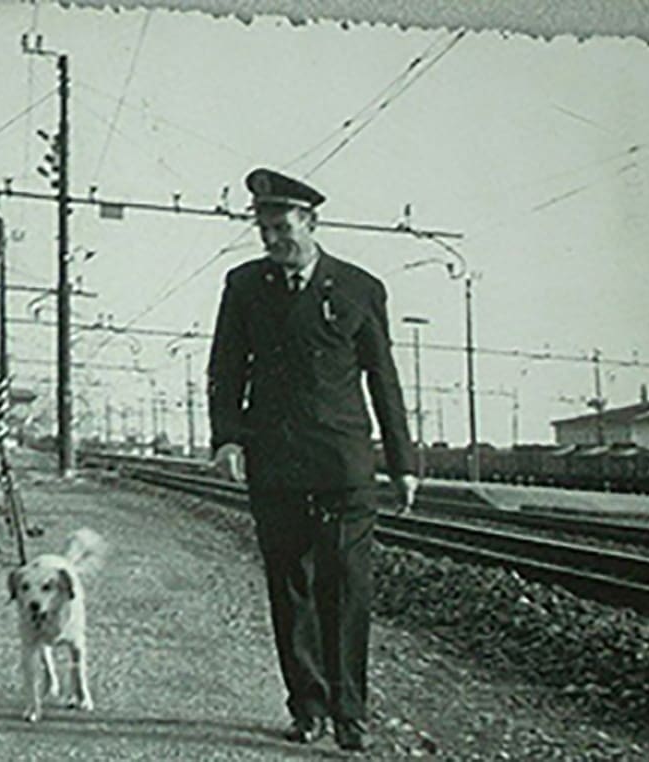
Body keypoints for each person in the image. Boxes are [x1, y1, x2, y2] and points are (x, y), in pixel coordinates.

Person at [207, 167, 417, 752]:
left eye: (281, 227)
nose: (271, 240)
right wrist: (228, 438)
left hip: (344, 464)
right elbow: (226, 368)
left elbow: (384, 379)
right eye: (264, 228)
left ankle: (351, 713)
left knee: (347, 586)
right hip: (274, 462)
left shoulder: (359, 288)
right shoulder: (244, 285)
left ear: (311, 222)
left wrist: (402, 461)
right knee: (289, 587)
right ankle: (307, 707)